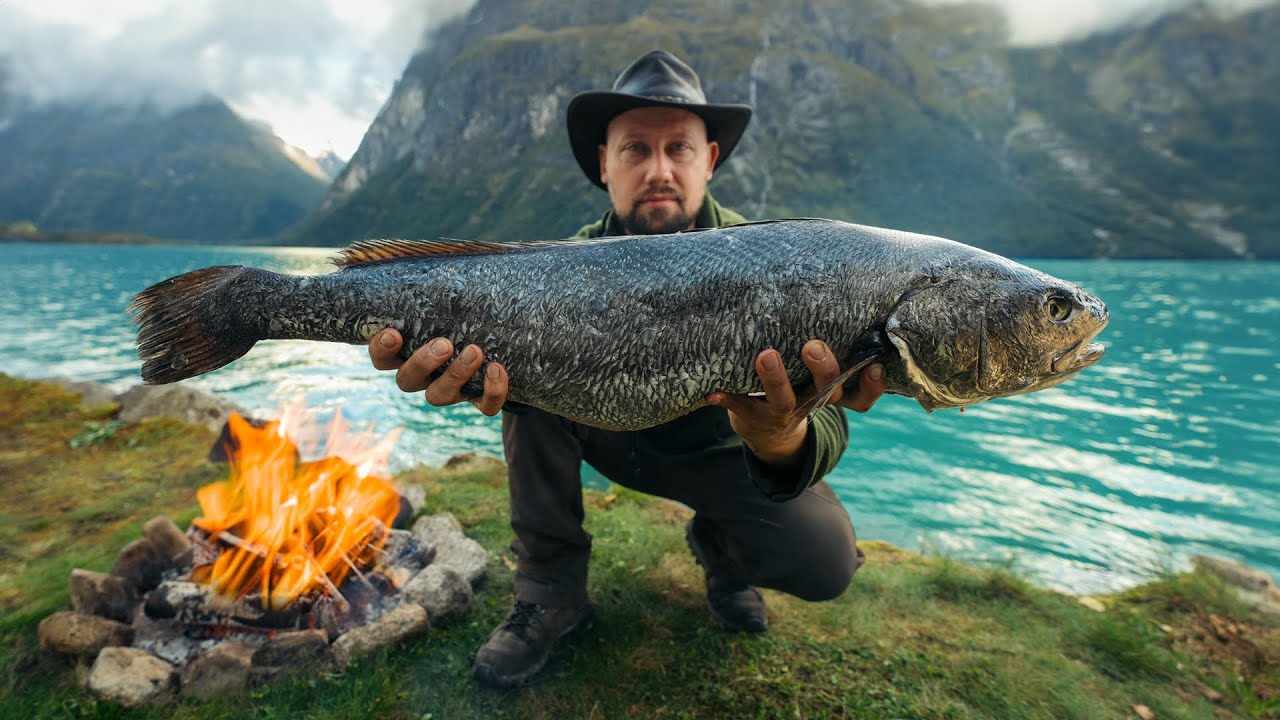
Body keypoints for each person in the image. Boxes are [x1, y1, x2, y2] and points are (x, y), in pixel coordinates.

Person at [368, 50, 887, 688]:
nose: (659, 170)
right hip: (596, 436)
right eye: (636, 150)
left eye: (680, 149)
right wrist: (463, 372)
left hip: (725, 455)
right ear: (604, 164)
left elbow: (832, 417)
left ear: (711, 161)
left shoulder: (781, 267)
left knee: (824, 559)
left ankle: (722, 551)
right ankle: (550, 591)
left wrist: (783, 438)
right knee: (523, 378)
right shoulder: (558, 267)